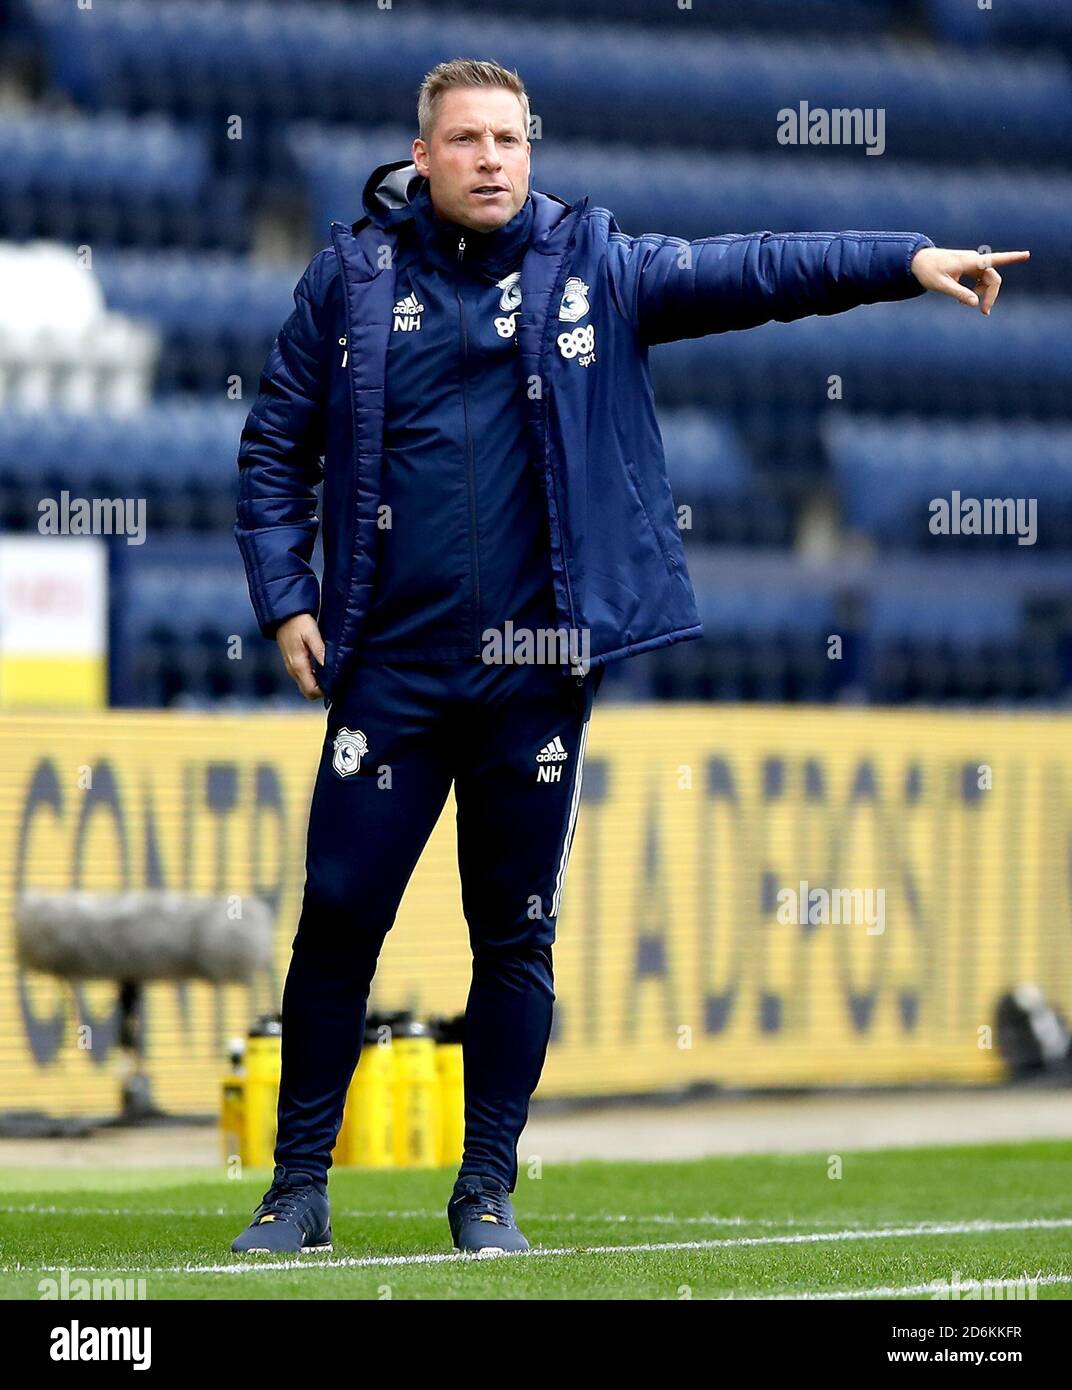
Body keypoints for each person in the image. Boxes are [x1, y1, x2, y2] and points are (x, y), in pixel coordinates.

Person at [231, 57, 1029, 1256]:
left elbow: (755, 270)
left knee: (514, 933)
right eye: (467, 139)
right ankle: (297, 1189)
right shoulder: (348, 280)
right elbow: (270, 449)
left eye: (509, 137)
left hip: (538, 667)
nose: (491, 157)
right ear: (424, 156)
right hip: (388, 668)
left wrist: (903, 257)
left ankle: (485, 1189)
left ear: (530, 150)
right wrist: (286, 597)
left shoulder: (592, 265)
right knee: (338, 918)